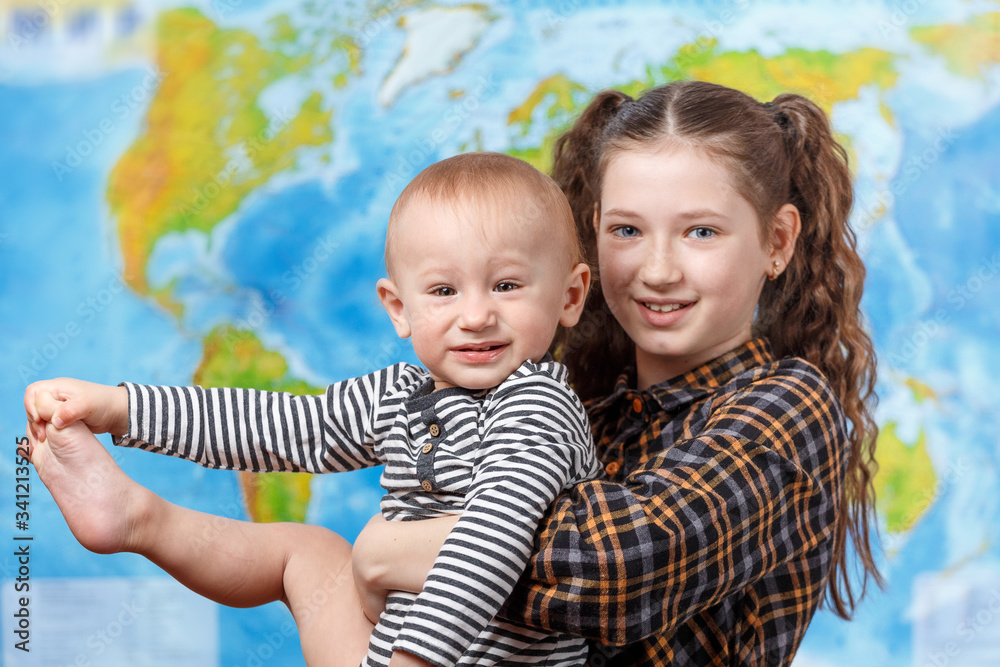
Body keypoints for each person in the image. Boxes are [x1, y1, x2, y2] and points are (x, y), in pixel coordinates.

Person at [349, 80, 882, 666]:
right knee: (304, 556)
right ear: (596, 231)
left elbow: (623, 570)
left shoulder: (787, 407)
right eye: (627, 230)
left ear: (776, 241)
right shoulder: (574, 405)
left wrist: (397, 549)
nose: (656, 271)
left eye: (700, 232)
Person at [23, 152, 603, 666]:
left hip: (442, 658)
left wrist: (413, 661)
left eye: (506, 286)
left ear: (569, 296)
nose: (475, 315)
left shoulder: (537, 406)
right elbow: (274, 426)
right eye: (444, 291)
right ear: (398, 309)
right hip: (385, 653)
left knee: (337, 551)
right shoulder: (400, 394)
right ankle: (135, 518)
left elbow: (492, 536)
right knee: (306, 552)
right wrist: (121, 409)